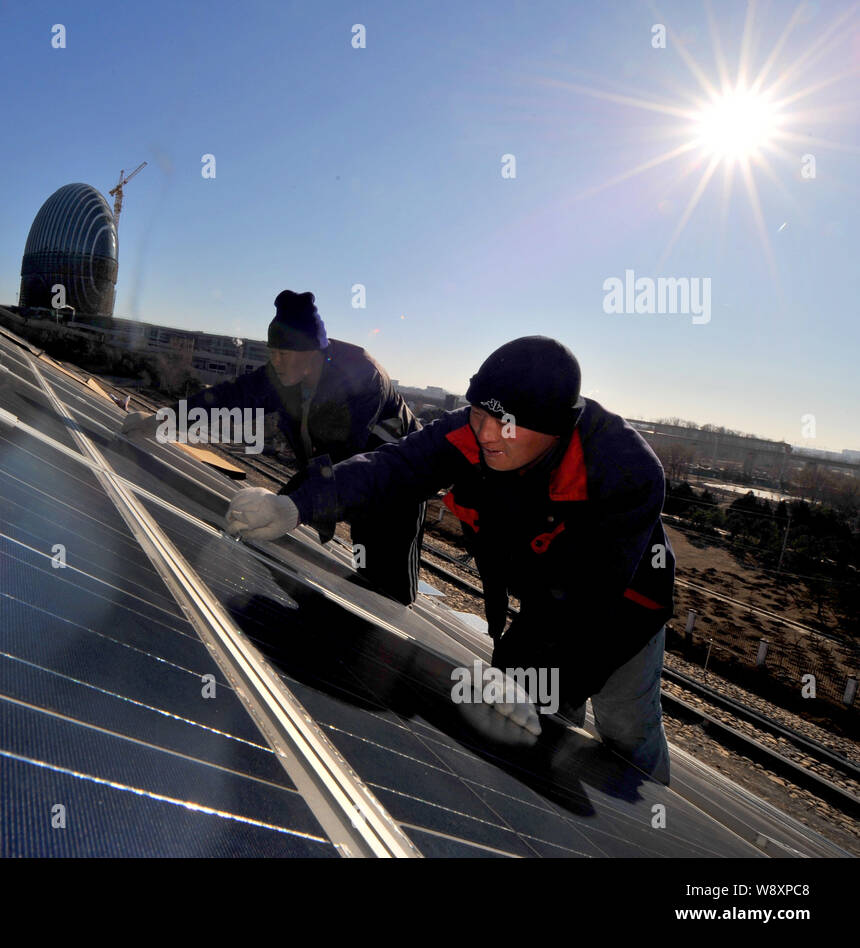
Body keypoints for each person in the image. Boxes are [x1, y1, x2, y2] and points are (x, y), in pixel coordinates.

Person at [223, 336, 675, 783]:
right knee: (545, 721)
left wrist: (526, 677)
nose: (489, 434)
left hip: (622, 599)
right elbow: (392, 468)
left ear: (557, 427)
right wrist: (296, 505)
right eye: (480, 413)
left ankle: (653, 817)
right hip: (544, 590)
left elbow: (587, 600)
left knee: (625, 725)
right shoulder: (472, 433)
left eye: (508, 423)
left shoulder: (624, 470)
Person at [122, 290, 426, 605]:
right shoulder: (283, 376)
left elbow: (344, 461)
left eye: (283, 353)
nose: (275, 361)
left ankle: (393, 639)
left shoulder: (361, 378)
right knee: (362, 572)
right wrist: (162, 420)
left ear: (312, 351)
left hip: (395, 485)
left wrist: (286, 504)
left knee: (387, 587)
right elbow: (229, 396)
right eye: (272, 351)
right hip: (345, 479)